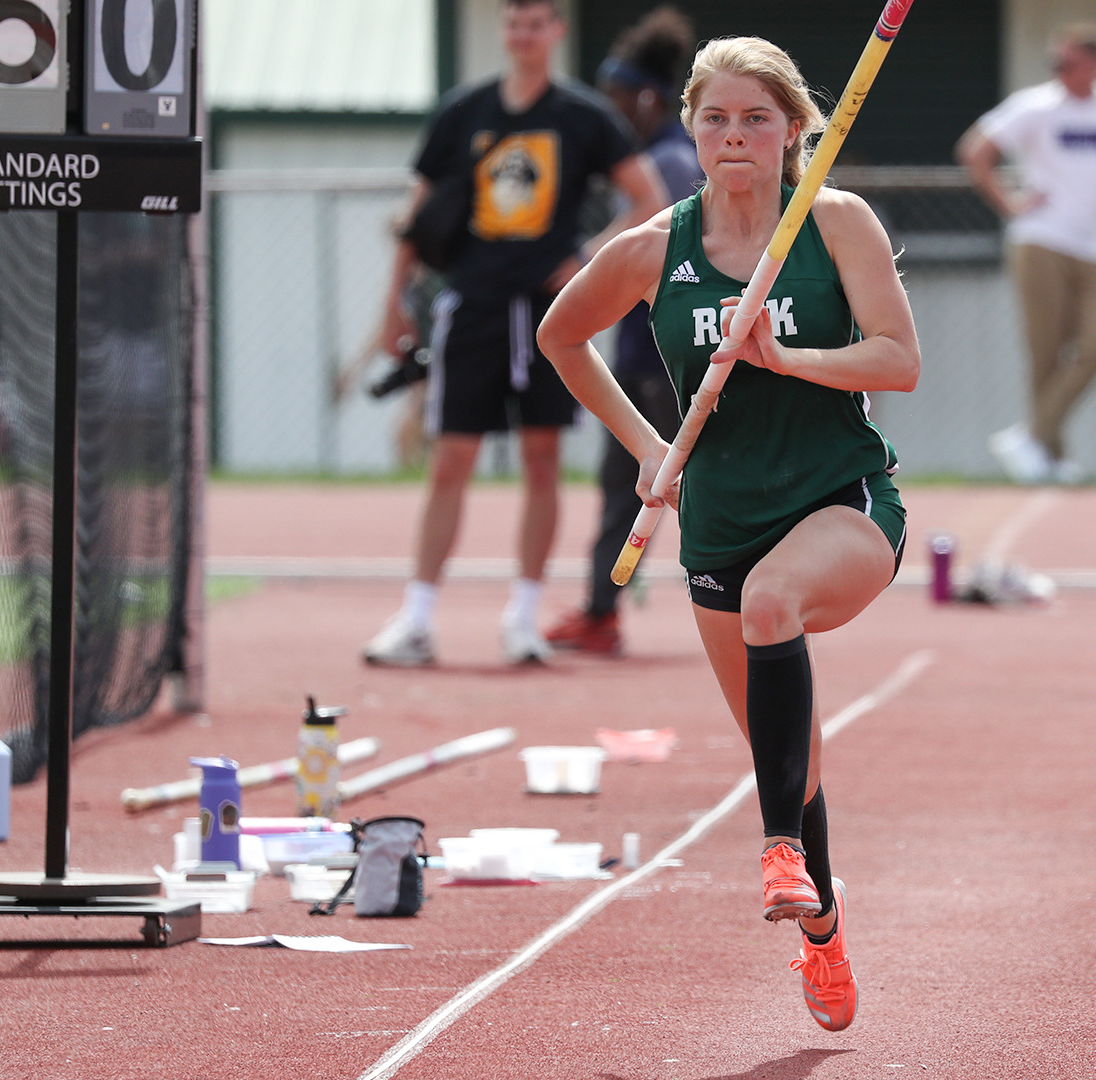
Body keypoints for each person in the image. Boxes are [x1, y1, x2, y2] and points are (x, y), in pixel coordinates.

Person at [538, 37, 918, 1032]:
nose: (736, 135)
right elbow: (560, 336)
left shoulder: (834, 222)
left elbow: (899, 358)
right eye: (716, 118)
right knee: (786, 753)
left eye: (756, 118)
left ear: (793, 130)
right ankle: (822, 929)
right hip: (717, 519)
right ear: (690, 131)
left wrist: (787, 357)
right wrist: (648, 445)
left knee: (773, 602)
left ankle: (777, 849)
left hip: (841, 502)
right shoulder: (655, 244)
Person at [362, 0, 667, 667]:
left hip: (548, 311)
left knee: (541, 461)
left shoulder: (584, 115)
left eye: (537, 22)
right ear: (505, 32)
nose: (524, 34)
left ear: (557, 30)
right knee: (450, 461)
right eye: (514, 22)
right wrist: (394, 304)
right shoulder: (464, 111)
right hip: (471, 304)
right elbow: (415, 216)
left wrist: (587, 257)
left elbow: (648, 199)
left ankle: (523, 617)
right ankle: (417, 618)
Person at [542, 5, 703, 657]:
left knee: (653, 481)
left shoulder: (667, 161)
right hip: (646, 346)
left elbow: (655, 247)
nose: (610, 111)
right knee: (635, 479)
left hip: (659, 352)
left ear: (648, 96)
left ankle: (609, 609)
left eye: (617, 97)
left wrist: (581, 268)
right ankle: (603, 607)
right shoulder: (659, 154)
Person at [956, 23, 1096, 484]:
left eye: (1067, 64)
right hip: (1039, 240)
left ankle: (1030, 437)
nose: (1058, 72)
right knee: (1045, 353)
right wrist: (1010, 203)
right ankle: (1050, 455)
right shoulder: (1037, 105)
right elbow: (975, 151)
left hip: (1093, 246)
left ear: (1094, 64)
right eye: (1054, 64)